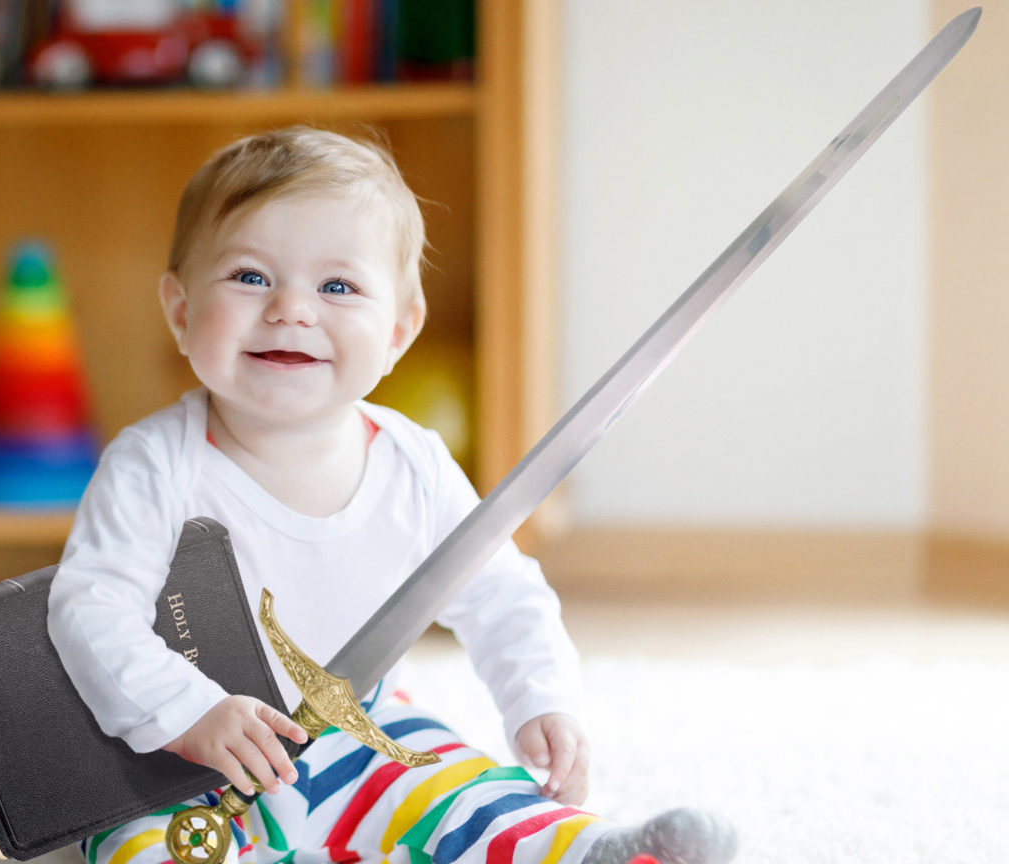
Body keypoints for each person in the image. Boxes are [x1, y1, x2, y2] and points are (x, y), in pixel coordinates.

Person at [46, 126, 737, 864]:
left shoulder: (415, 465)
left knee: (465, 789)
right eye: (250, 276)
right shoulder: (154, 465)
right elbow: (91, 610)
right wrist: (189, 712)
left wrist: (542, 697)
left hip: (362, 733)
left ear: (399, 333)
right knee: (141, 845)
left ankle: (591, 852)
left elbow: (502, 595)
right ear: (181, 312)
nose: (291, 310)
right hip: (183, 757)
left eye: (337, 287)